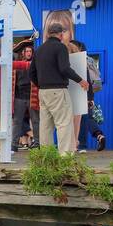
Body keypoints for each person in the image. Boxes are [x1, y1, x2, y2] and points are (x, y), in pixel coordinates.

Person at [30, 22, 86, 152]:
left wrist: (41, 84)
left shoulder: (39, 50)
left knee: (45, 126)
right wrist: (80, 80)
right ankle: (65, 157)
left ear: (49, 34)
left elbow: (31, 72)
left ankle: (47, 156)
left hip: (43, 92)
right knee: (64, 124)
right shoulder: (60, 48)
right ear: (61, 34)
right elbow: (64, 68)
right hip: (58, 91)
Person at [11, 44, 34, 151]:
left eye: (30, 51)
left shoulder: (34, 64)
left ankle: (36, 143)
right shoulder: (16, 64)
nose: (29, 53)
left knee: (35, 120)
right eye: (27, 51)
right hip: (19, 96)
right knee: (17, 121)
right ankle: (14, 144)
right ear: (22, 53)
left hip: (31, 94)